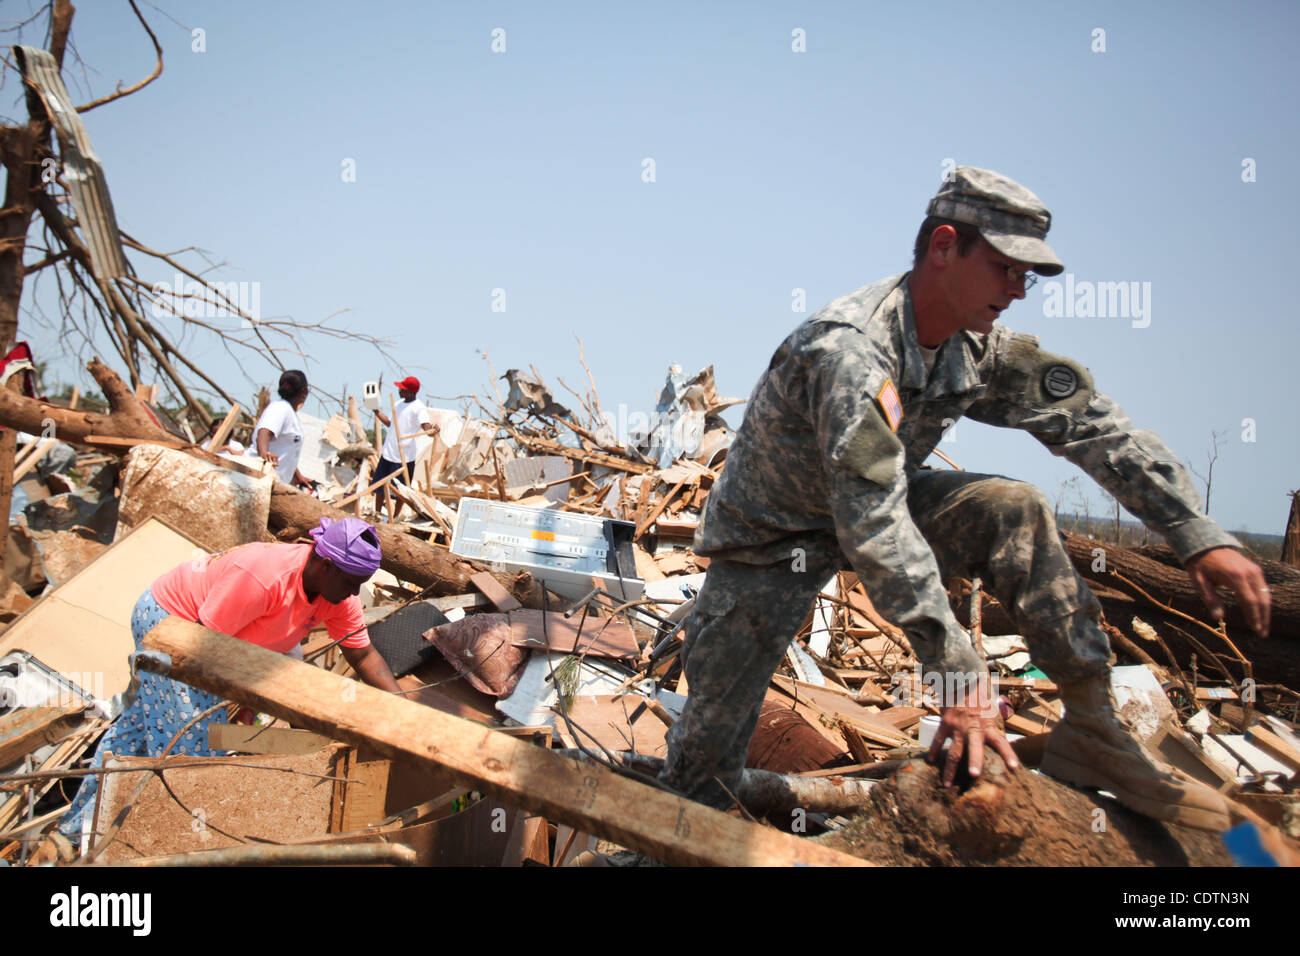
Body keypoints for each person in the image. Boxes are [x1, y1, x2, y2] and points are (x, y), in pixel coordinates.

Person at [659, 167, 1270, 832]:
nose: (1017, 290)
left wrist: (1195, 530)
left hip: (875, 503)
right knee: (701, 791)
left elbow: (1090, 421)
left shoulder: (978, 346)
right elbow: (873, 521)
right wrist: (958, 674)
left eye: (1026, 276)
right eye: (1006, 267)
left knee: (1013, 506)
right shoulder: (852, 352)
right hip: (771, 541)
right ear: (944, 245)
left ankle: (1093, 724)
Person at [58, 516, 402, 838]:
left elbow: (363, 654)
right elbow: (206, 646)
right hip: (173, 625)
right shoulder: (265, 576)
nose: (355, 593)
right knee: (191, 750)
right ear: (326, 565)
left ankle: (78, 832)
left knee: (140, 730)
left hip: (216, 643)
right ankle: (173, 836)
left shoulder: (337, 595)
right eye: (352, 583)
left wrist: (403, 711)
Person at [372, 375, 439, 518]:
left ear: (411, 392)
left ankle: (395, 517)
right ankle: (377, 514)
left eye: (402, 389)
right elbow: (390, 423)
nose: (399, 391)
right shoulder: (398, 404)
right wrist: (377, 412)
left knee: (400, 490)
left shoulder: (418, 408)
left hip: (404, 455)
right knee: (379, 487)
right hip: (389, 451)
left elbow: (426, 428)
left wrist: (433, 430)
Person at [249, 369, 316, 490]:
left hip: (274, 481)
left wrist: (298, 476)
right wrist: (265, 456)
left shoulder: (290, 412)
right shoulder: (280, 408)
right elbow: (264, 433)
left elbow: (286, 450)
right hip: (257, 478)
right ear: (304, 391)